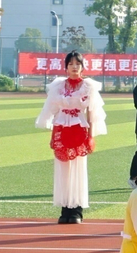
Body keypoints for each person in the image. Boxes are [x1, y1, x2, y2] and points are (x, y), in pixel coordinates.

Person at [36, 55, 107, 225]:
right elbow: (52, 110)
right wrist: (53, 134)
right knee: (63, 170)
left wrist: (90, 136)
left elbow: (92, 113)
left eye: (77, 64)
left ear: (82, 67)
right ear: (66, 67)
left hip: (79, 130)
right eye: (71, 64)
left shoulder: (88, 86)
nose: (74, 67)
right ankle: (65, 209)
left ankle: (76, 210)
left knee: (78, 169)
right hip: (61, 129)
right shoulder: (58, 86)